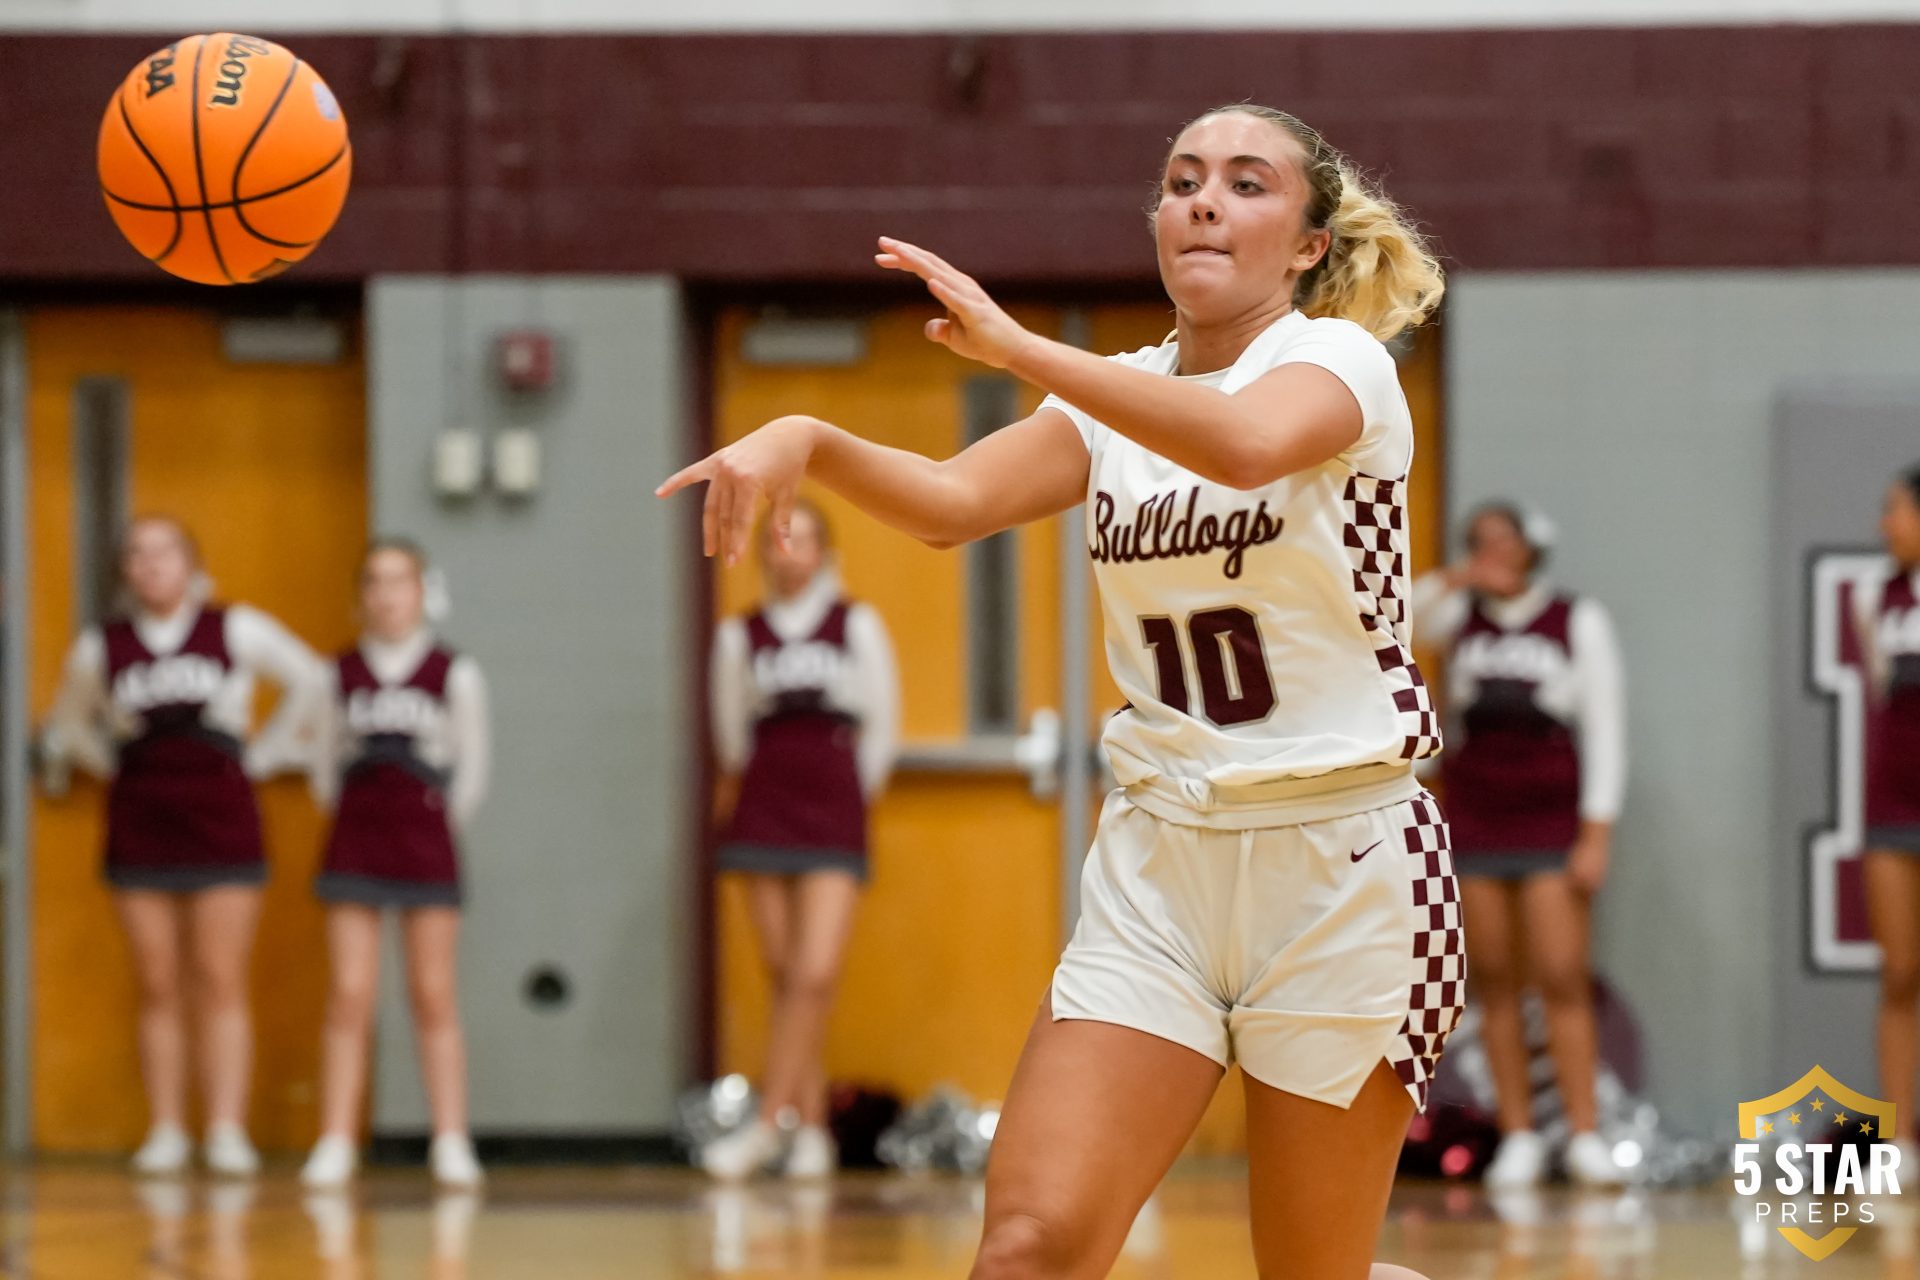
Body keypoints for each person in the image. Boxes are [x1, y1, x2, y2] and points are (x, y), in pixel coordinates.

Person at [661, 103, 1451, 1280]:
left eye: (1246, 182)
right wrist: (807, 434)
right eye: (1183, 179)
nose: (1203, 199)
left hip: (1343, 862)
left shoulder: (1339, 363)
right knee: (1025, 1250)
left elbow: (1238, 444)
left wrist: (1020, 348)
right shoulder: (1110, 396)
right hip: (1164, 863)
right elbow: (947, 503)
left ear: (1308, 245)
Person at [39, 515, 322, 1176]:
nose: (150, 563)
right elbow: (68, 724)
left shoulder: (235, 627)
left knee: (221, 978)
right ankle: (167, 1128)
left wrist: (268, 752)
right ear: (126, 573)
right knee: (158, 981)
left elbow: (312, 680)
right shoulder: (98, 646)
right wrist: (112, 765)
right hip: (143, 818)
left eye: (163, 551)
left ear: (192, 564)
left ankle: (226, 1128)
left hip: (222, 815)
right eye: (136, 554)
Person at [1412, 504, 1627, 1188]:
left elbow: (1606, 729)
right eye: (1479, 542)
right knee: (1495, 981)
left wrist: (1596, 832)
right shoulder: (1460, 615)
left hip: (1551, 821)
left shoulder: (1574, 619)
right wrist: (1459, 575)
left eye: (1505, 542)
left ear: (1534, 548)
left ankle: (1585, 1131)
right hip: (1477, 815)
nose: (1493, 554)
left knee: (1562, 976)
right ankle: (1519, 1134)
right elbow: (1407, 619)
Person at [698, 499, 899, 1180]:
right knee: (784, 976)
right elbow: (730, 734)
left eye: (804, 540)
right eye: (779, 541)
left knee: (815, 973)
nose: (791, 554)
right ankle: (810, 1126)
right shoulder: (739, 635)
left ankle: (764, 1125)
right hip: (764, 807)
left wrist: (850, 794)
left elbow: (883, 726)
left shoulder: (856, 624)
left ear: (824, 551)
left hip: (834, 809)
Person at [300, 539, 490, 1188]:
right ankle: (334, 1140)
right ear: (361, 597)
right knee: (350, 993)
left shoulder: (453, 672)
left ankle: (451, 1139)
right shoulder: (337, 673)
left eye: (399, 580)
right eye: (374, 582)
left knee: (432, 993)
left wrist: (432, 821)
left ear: (422, 590)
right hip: (355, 839)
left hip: (426, 842)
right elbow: (323, 769)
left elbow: (472, 771)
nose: (386, 595)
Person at [1856, 464, 1920, 1171]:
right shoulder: (1878, 596)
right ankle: (1899, 1141)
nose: (1885, 525)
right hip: (1893, 806)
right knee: (1899, 972)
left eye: (1896, 510)